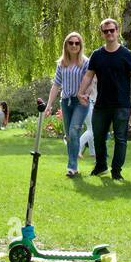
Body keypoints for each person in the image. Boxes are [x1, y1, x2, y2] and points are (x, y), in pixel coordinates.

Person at [78, 17, 131, 180]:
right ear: (102, 34)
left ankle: (116, 171)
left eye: (111, 30)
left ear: (117, 31)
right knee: (98, 137)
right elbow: (88, 76)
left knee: (120, 138)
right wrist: (80, 92)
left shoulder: (127, 54)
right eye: (105, 31)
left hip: (121, 105)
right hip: (101, 104)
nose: (109, 33)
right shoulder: (97, 55)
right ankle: (101, 166)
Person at [47, 32, 90, 178]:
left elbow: (90, 81)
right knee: (69, 136)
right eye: (70, 43)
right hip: (65, 101)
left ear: (80, 45)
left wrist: (85, 94)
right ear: (66, 45)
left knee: (73, 131)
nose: (74, 45)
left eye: (77, 43)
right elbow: (56, 85)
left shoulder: (85, 62)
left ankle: (72, 166)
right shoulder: (61, 63)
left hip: (81, 102)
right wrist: (48, 106)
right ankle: (74, 166)